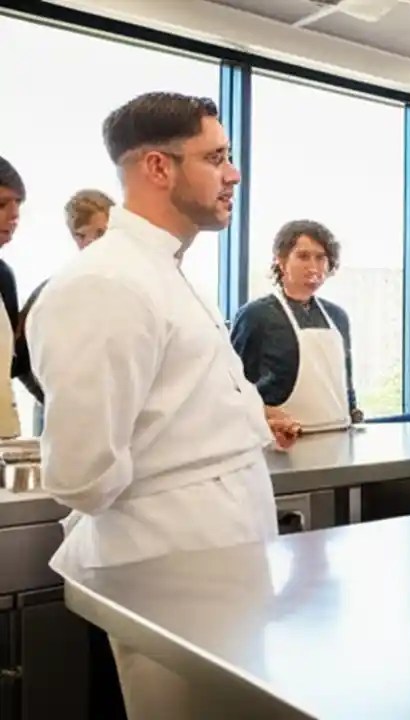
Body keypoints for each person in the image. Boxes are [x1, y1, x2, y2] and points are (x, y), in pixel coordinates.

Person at [27, 91, 300, 719]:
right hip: (168, 573)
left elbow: (176, 406)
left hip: (221, 563)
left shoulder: (163, 270)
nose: (233, 173)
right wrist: (177, 496)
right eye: (217, 157)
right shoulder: (104, 282)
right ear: (157, 167)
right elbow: (82, 475)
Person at [231, 219, 362, 432]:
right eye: (303, 256)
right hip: (280, 441)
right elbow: (235, 386)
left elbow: (346, 385)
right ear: (281, 262)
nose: (313, 266)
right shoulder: (255, 315)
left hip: (337, 435)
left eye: (321, 258)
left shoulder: (337, 317)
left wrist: (355, 415)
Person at [14, 189, 117, 410]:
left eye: (101, 233)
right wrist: (54, 401)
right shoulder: (54, 290)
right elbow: (19, 358)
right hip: (68, 412)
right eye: (81, 235)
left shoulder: (140, 284)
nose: (91, 242)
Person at [0, 157, 27, 438]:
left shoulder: (4, 277)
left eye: (18, 205)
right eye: (2, 205)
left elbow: (12, 364)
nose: (14, 216)